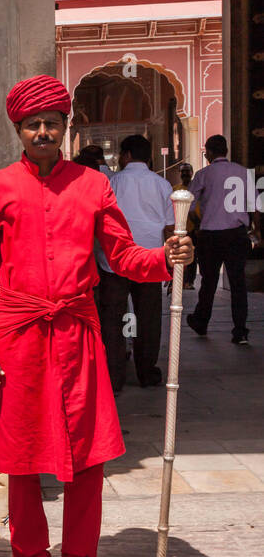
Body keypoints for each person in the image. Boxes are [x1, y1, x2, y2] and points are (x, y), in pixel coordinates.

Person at [0, 75, 192, 557]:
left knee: (87, 456)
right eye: (32, 125)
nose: (42, 132)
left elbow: (123, 254)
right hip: (18, 335)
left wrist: (164, 258)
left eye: (51, 123)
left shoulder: (94, 186)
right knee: (22, 456)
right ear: (18, 129)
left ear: (66, 127)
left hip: (78, 331)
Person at [97, 134, 174, 391]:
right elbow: (170, 229)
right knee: (149, 317)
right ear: (149, 157)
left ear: (126, 155)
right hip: (149, 261)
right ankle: (147, 372)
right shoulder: (162, 185)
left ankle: (113, 377)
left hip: (114, 261)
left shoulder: (112, 182)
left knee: (113, 320)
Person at [187, 135, 252, 345]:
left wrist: (198, 221)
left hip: (212, 234)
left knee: (209, 281)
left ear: (209, 153)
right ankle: (240, 330)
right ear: (226, 150)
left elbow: (188, 204)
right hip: (237, 233)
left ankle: (201, 321)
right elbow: (253, 204)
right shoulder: (243, 172)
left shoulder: (204, 174)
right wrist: (253, 228)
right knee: (238, 283)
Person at [178, 161, 198, 289]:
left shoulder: (197, 189)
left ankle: (189, 281)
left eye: (187, 171)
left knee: (192, 257)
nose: (185, 174)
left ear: (191, 173)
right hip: (181, 229)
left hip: (196, 229)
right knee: (180, 257)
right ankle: (178, 281)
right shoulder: (175, 190)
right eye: (183, 171)